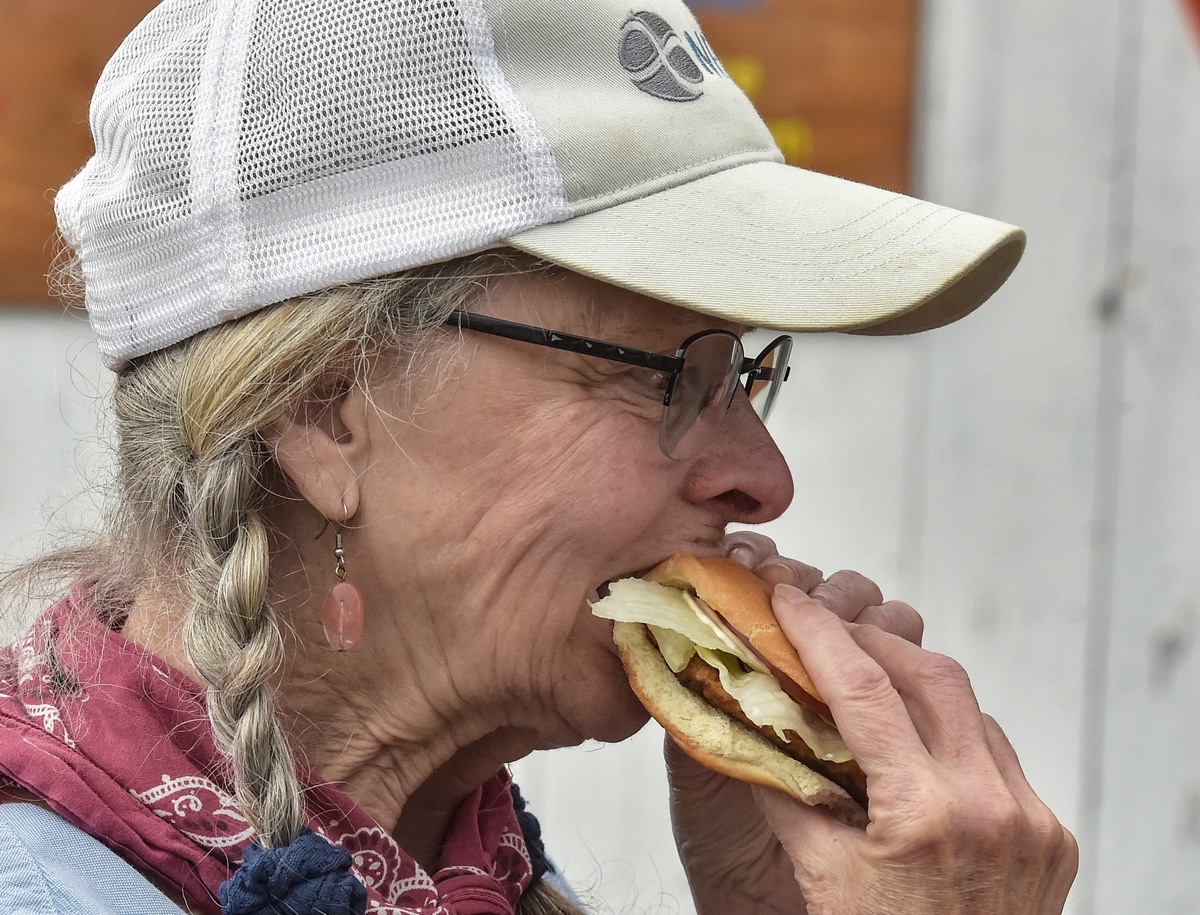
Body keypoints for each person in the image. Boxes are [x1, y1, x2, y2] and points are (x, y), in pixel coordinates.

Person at [0, 0, 1077, 913]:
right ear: (324, 408)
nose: (765, 477)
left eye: (742, 374)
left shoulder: (467, 872)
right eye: (666, 373)